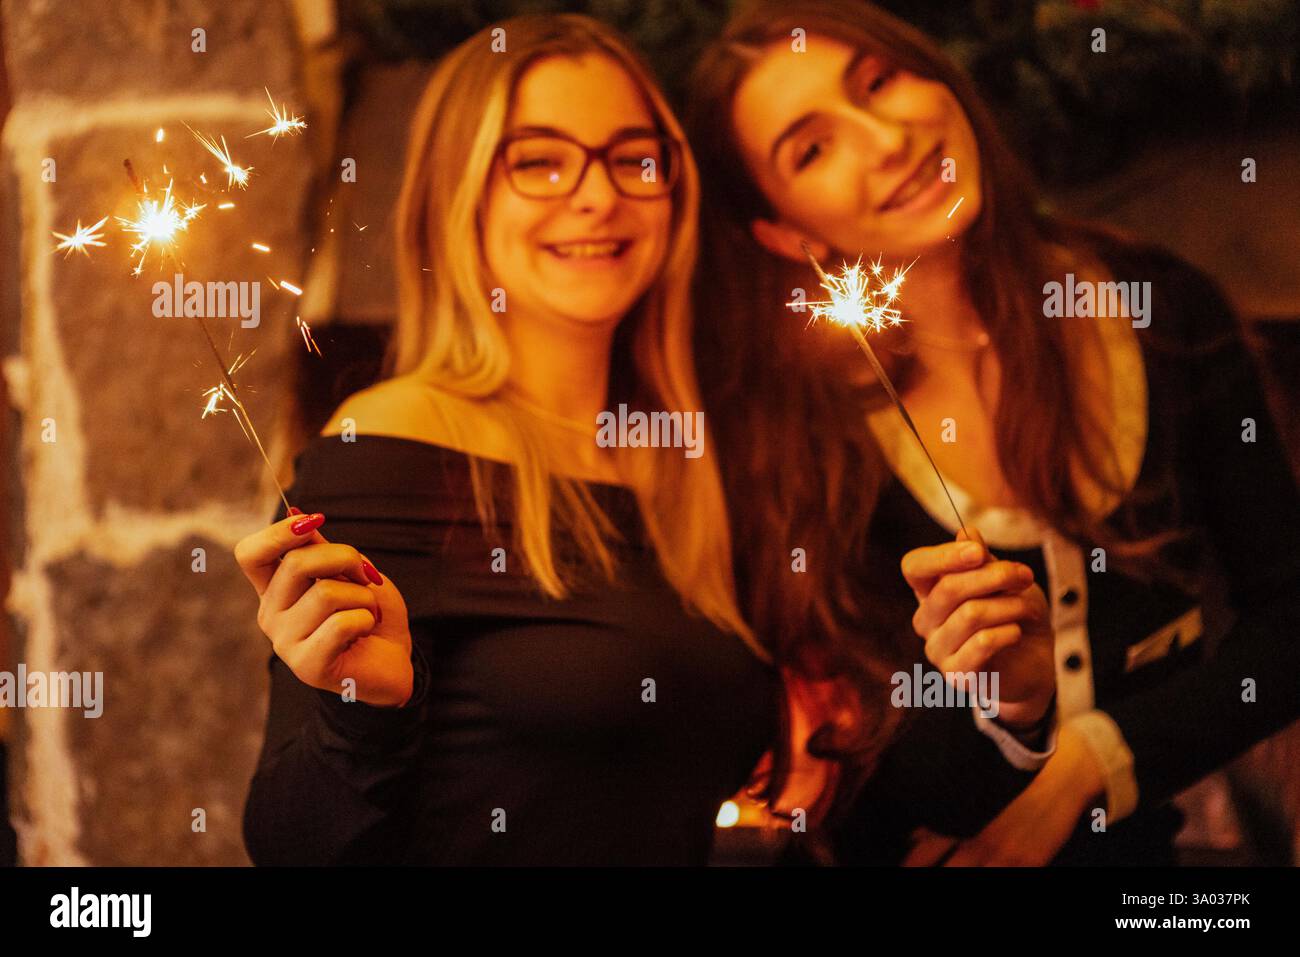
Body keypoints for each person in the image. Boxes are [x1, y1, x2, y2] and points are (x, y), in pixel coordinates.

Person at [689, 0, 1300, 864]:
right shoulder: (789, 434)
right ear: (785, 232)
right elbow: (856, 768)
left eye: (880, 80)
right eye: (813, 147)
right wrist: (1009, 711)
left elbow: (1290, 618)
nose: (887, 138)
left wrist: (1090, 762)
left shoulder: (1156, 306)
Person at [236, 13, 778, 865]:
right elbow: (289, 843)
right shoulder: (386, 444)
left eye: (633, 157)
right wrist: (360, 714)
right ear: (460, 196)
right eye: (539, 161)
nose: (598, 195)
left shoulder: (688, 459)